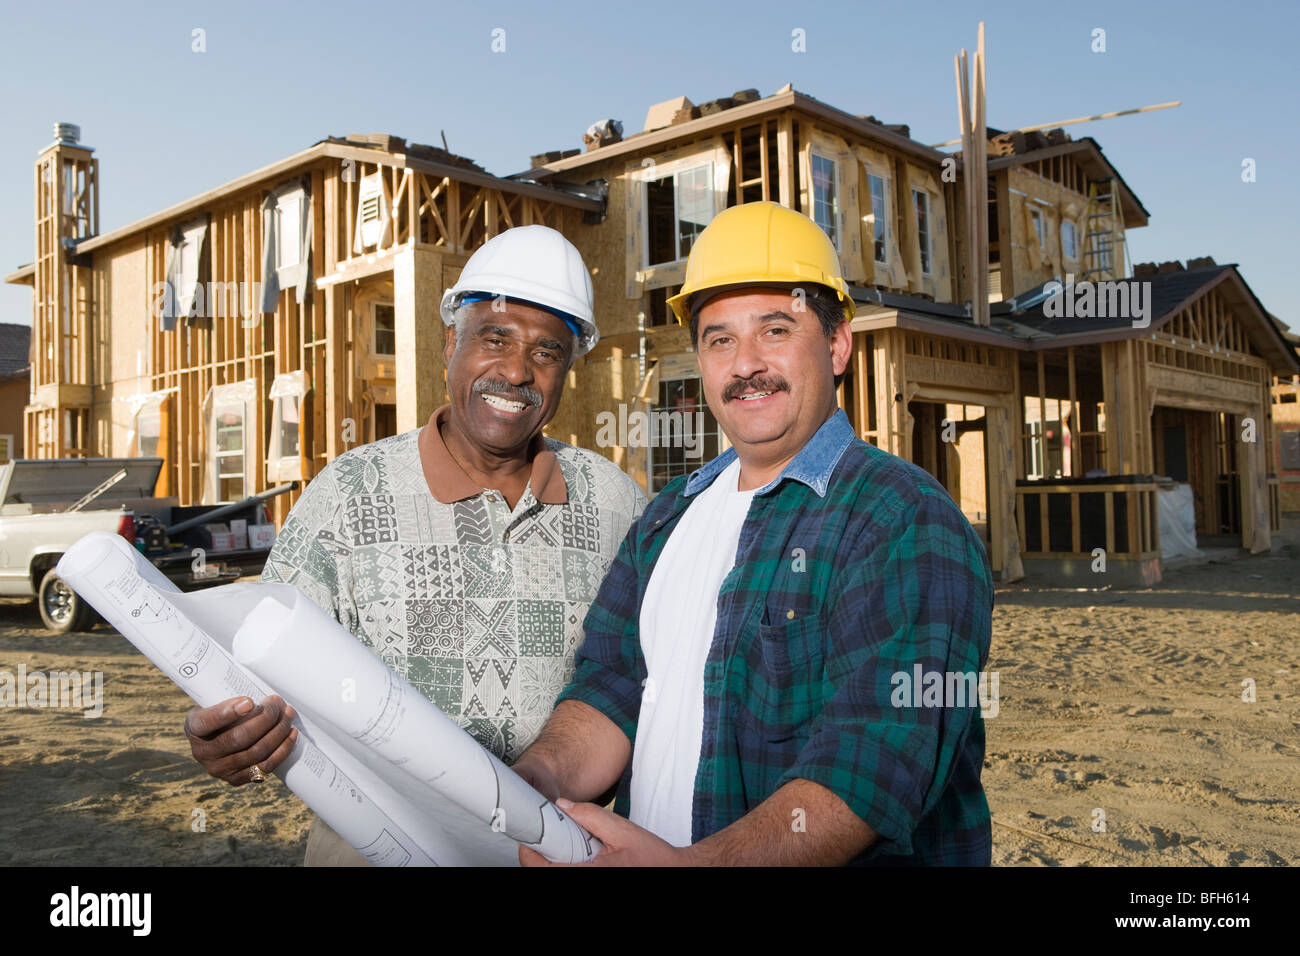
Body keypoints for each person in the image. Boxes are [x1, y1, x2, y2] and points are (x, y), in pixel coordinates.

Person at [512, 201, 994, 866]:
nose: (745, 365)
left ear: (837, 344)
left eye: (775, 330)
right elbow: (612, 687)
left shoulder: (902, 518)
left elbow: (875, 762)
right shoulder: (666, 518)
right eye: (720, 340)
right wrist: (535, 782)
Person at [182, 225, 646, 864]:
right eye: (495, 338)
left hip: (552, 847)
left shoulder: (617, 503)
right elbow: (254, 667)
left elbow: (643, 681)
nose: (515, 371)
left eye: (547, 352)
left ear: (568, 368)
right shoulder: (349, 494)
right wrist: (227, 733)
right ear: (452, 340)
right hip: (373, 844)